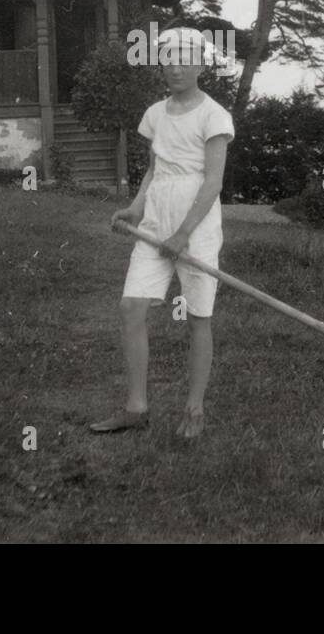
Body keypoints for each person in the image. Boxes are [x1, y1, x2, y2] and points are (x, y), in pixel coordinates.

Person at [91, 26, 235, 439]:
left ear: (201, 64)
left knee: (197, 316)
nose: (175, 67)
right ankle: (136, 407)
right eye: (168, 59)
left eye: (185, 59)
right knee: (131, 307)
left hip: (198, 225)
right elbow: (156, 169)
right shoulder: (155, 113)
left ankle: (194, 409)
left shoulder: (214, 115)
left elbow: (213, 183)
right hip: (156, 221)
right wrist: (136, 209)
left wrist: (184, 233)